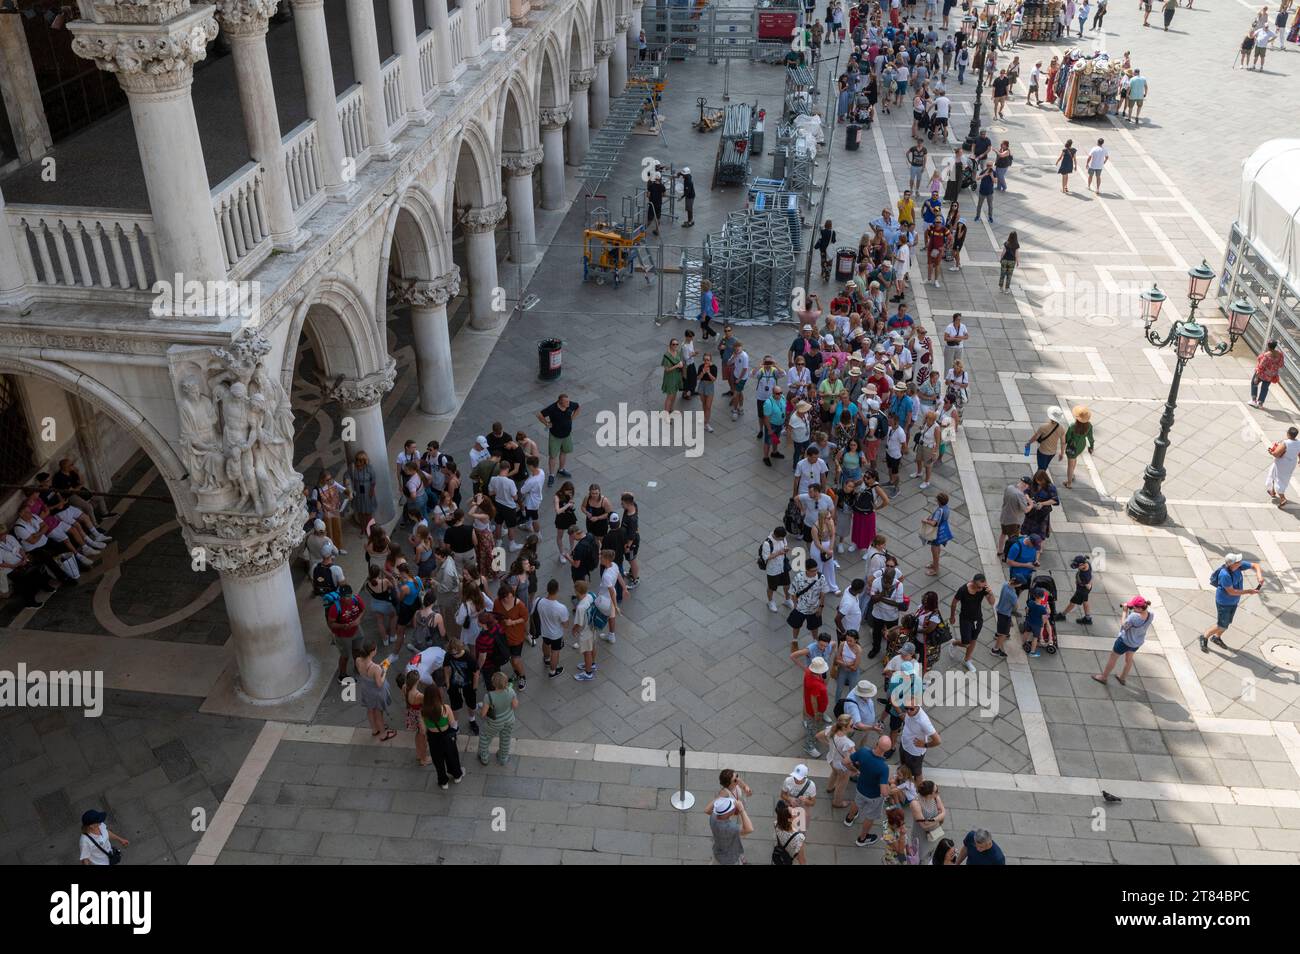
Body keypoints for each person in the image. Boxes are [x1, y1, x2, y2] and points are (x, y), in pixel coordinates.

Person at [845, 735, 896, 847]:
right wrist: (890, 786)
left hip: (860, 787)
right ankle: (862, 839)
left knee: (856, 802)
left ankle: (849, 818)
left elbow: (846, 761)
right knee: (870, 817)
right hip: (874, 796)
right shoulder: (883, 768)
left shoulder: (863, 751)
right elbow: (884, 792)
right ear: (887, 751)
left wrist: (855, 770)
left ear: (876, 743)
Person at [1092, 595, 1154, 686]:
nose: (1133, 609)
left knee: (1113, 658)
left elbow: (1124, 626)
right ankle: (1122, 678)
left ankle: (1104, 677)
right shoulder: (1151, 615)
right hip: (1136, 643)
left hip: (1124, 642)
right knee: (1129, 660)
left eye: (1134, 607)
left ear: (1140, 608)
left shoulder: (1133, 617)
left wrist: (1125, 611)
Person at [949, 573, 994, 672]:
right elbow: (954, 603)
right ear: (973, 582)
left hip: (978, 619)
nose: (980, 589)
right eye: (978, 587)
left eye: (982, 587)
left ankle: (967, 660)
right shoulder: (963, 590)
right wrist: (952, 616)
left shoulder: (983, 589)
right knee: (966, 643)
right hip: (965, 619)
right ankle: (954, 643)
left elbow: (992, 603)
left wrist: (991, 594)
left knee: (973, 640)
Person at [477, 670, 518, 764]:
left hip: (495, 723)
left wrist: (480, 709)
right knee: (505, 739)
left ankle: (484, 758)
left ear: (493, 684)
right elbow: (515, 706)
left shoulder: (489, 696)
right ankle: (503, 758)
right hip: (509, 720)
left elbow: (483, 714)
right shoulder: (511, 691)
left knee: (485, 738)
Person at [536, 394, 579, 484]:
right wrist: (546, 423)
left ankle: (561, 469)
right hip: (555, 436)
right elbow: (539, 414)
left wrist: (573, 417)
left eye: (568, 401)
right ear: (560, 402)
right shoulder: (552, 409)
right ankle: (551, 475)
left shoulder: (570, 405)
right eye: (566, 402)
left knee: (564, 452)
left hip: (567, 435)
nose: (568, 403)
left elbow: (578, 407)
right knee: (553, 456)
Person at [709, 796, 753, 864]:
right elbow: (749, 829)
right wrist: (742, 810)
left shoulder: (713, 815)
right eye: (733, 808)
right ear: (728, 813)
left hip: (718, 852)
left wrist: (720, 799)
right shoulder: (731, 828)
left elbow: (706, 810)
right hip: (731, 859)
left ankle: (741, 858)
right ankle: (740, 859)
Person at [1056, 554, 1095, 625]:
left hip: (1081, 591)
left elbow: (1088, 586)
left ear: (1082, 565)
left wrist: (1082, 582)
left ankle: (1062, 615)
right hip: (1085, 590)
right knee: (1085, 601)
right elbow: (1092, 576)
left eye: (1077, 566)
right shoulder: (1087, 564)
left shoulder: (1084, 576)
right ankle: (1087, 618)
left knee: (1072, 602)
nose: (1076, 567)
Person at [1266, 427, 1300, 507]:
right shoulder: (1299, 442)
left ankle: (1282, 497)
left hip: (1282, 463)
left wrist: (1271, 452)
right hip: (1291, 463)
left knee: (1277, 478)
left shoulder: (1285, 443)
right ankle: (1272, 491)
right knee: (1281, 477)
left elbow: (1276, 454)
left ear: (1288, 433)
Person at [1063, 406, 1095, 488]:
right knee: (1075, 458)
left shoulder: (1073, 425)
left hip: (1072, 446)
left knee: (1070, 464)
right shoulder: (1089, 426)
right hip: (1081, 445)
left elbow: (1067, 437)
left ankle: (1069, 483)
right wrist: (1091, 446)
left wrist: (1063, 444)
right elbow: (1090, 438)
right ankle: (1072, 475)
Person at [922, 492, 953, 576]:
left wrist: (925, 521)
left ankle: (935, 569)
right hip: (942, 530)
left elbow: (934, 523)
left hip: (936, 532)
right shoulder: (946, 508)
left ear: (939, 501)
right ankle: (934, 564)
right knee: (937, 548)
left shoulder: (940, 510)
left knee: (934, 550)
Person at [1250, 340, 1285, 408]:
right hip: (1271, 375)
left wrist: (1256, 377)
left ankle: (1254, 400)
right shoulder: (1280, 355)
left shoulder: (1266, 356)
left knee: (1254, 383)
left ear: (1268, 346)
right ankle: (1260, 403)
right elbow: (1281, 365)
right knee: (1265, 388)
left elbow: (1260, 366)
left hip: (1262, 374)